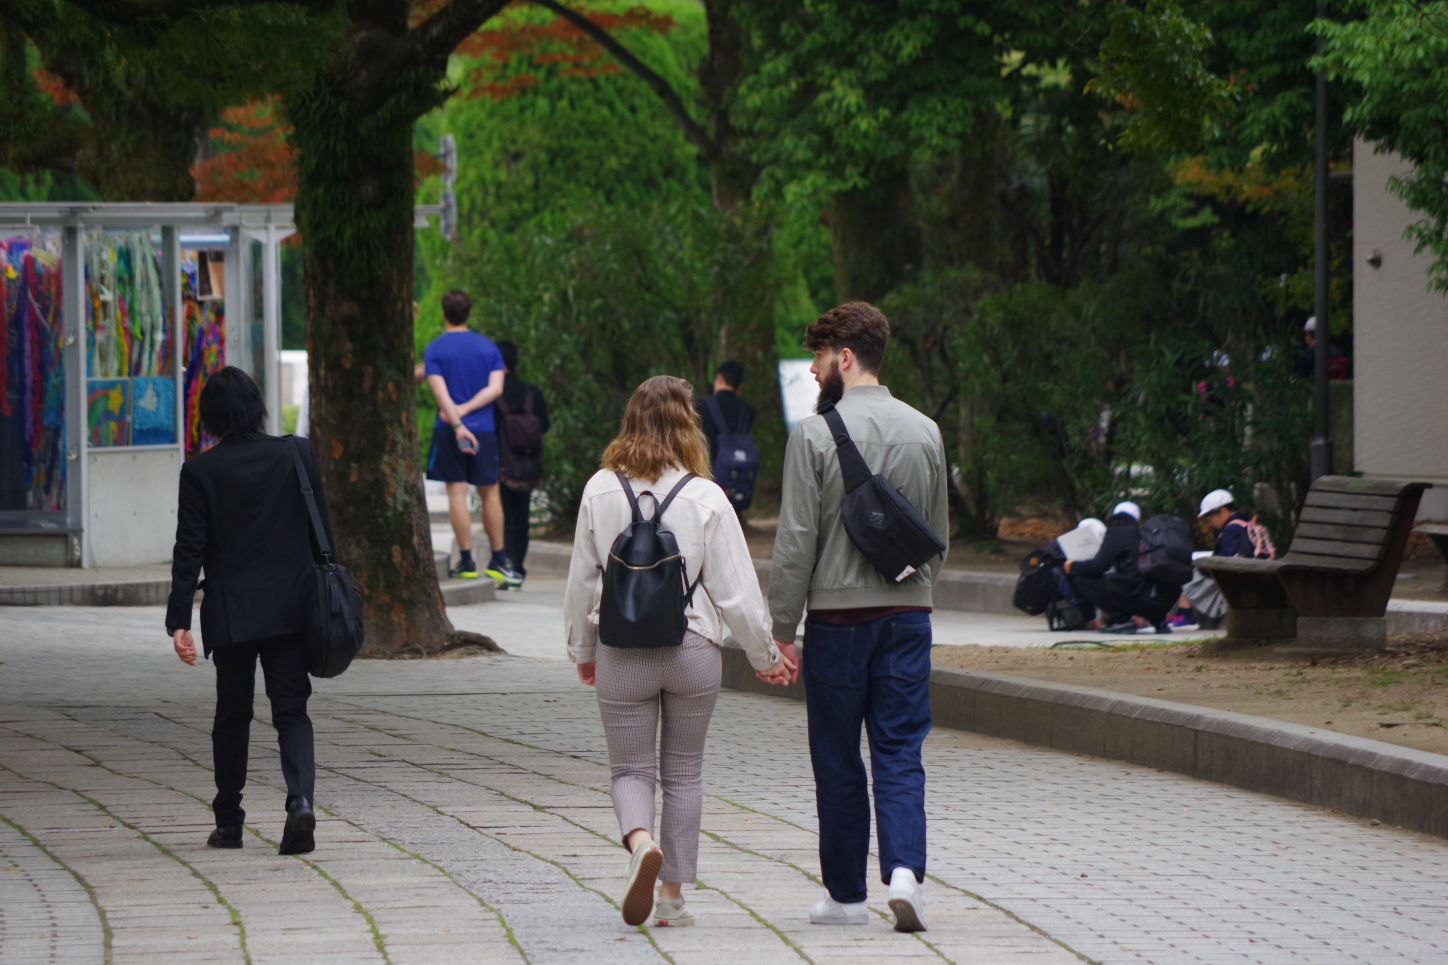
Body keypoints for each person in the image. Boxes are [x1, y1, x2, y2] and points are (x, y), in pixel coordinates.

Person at [563, 375, 794, 928]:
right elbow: (735, 591)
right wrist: (766, 656)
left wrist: (583, 650)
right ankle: (670, 896)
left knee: (630, 770)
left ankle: (641, 843)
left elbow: (580, 583)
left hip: (621, 651)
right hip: (692, 649)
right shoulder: (706, 496)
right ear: (689, 424)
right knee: (684, 774)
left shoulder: (599, 489)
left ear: (631, 420)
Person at [767, 302, 949, 934]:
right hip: (907, 617)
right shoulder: (925, 430)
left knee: (838, 756)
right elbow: (938, 536)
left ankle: (846, 898)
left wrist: (781, 632)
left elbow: (796, 541)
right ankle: (905, 875)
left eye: (819, 360)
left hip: (838, 624)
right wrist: (918, 598)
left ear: (844, 357)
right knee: (901, 748)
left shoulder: (814, 436)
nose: (815, 374)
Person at [166, 366, 327, 855]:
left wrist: (178, 620)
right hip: (290, 609)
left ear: (210, 416)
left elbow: (188, 548)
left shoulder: (200, 470)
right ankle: (300, 801)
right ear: (257, 406)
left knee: (232, 715)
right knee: (292, 711)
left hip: (232, 612)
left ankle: (230, 822)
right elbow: (321, 531)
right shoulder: (295, 455)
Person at [420, 290, 522, 588]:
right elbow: (495, 389)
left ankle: (465, 561)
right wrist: (467, 413)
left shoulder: (434, 349)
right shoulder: (489, 348)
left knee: (456, 493)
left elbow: (440, 392)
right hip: (484, 431)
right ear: (470, 314)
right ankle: (499, 560)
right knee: (490, 493)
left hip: (449, 429)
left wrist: (456, 419)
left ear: (443, 314)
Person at [1063, 501, 1174, 634]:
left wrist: (1073, 566)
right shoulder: (1150, 534)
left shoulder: (1118, 532)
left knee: (1080, 577)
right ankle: (1159, 622)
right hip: (1163, 602)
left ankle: (1121, 620)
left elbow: (1098, 566)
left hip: (1135, 598)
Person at [494, 340, 550, 583]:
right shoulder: (532, 392)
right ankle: (518, 565)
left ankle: (504, 565)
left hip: (500, 463)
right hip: (527, 464)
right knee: (521, 516)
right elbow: (544, 425)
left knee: (502, 514)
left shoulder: (492, 391)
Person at [1177, 488, 1267, 629]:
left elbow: (1225, 561)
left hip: (1238, 575)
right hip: (1252, 572)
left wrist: (1202, 567)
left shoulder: (1231, 529)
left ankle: (1186, 615)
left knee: (1192, 576)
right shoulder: (1245, 523)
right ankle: (1186, 615)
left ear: (1224, 511)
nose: (1210, 522)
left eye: (1211, 517)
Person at [695, 360, 754, 465]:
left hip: (711, 470)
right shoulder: (748, 410)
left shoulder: (702, 405)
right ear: (740, 386)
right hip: (740, 470)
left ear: (719, 378)